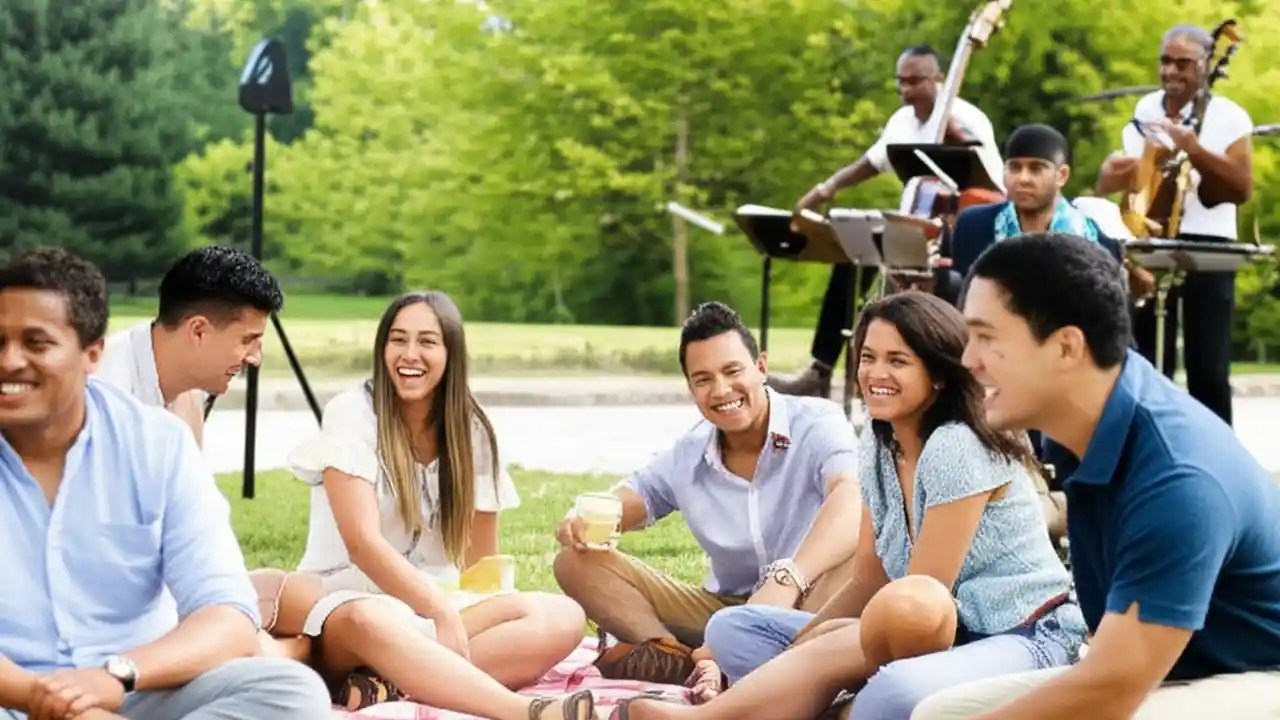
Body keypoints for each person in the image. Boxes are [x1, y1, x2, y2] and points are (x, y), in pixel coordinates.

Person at [609, 292, 1085, 720]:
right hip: (914, 637)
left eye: (898, 361)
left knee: (891, 694)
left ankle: (737, 714)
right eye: (868, 357)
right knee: (735, 630)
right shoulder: (879, 445)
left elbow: (924, 602)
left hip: (1024, 636)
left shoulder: (957, 447)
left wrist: (821, 646)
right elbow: (869, 577)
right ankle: (822, 699)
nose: (876, 373)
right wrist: (806, 640)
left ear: (938, 374)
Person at [908, 232, 1280, 719]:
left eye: (987, 337)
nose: (967, 360)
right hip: (1179, 666)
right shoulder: (1082, 418)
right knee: (939, 713)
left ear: (1066, 347)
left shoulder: (1178, 479)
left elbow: (1111, 690)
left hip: (1259, 674)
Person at [0, 247, 330, 720]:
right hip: (11, 699)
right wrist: (49, 701)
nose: (10, 361)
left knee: (293, 693)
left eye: (35, 343)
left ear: (93, 352)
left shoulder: (157, 444)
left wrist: (116, 675)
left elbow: (228, 615)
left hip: (130, 691)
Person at [267, 290, 596, 720]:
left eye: (427, 341)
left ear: (450, 352)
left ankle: (389, 682)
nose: (409, 354)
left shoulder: (471, 429)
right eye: (397, 339)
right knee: (374, 620)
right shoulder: (352, 414)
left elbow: (482, 566)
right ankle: (521, 711)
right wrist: (439, 611)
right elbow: (362, 545)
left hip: (434, 611)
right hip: (350, 597)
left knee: (563, 615)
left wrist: (478, 611)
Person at [553, 301, 862, 695]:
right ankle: (680, 660)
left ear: (761, 367)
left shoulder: (817, 422)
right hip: (721, 611)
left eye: (733, 371)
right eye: (703, 379)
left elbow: (851, 496)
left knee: (853, 556)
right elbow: (635, 495)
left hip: (809, 597)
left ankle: (732, 664)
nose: (721, 390)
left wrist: (789, 578)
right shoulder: (690, 452)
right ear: (690, 388)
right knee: (576, 563)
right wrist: (585, 517)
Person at [769, 44, 1005, 398]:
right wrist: (824, 190)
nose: (905, 90)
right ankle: (820, 371)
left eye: (914, 81)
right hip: (914, 222)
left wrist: (962, 143)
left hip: (956, 230)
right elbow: (869, 163)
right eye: (900, 82)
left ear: (938, 79)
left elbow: (995, 188)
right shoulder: (901, 122)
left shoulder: (969, 118)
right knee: (854, 254)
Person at [1094, 24, 1254, 425]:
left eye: (1183, 63)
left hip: (1210, 246)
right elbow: (1139, 185)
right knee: (1148, 361)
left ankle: (1217, 457)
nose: (1171, 72)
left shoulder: (1229, 116)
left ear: (1204, 66)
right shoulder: (1146, 110)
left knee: (1209, 368)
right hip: (1152, 241)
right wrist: (1122, 173)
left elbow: (1240, 188)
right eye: (1165, 61)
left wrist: (1193, 150)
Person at [93, 245, 282, 446]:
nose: (255, 358)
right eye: (246, 340)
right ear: (198, 331)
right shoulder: (101, 396)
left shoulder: (189, 391)